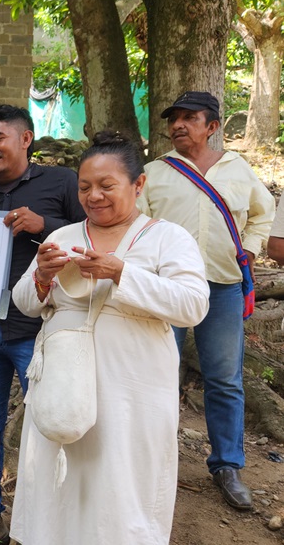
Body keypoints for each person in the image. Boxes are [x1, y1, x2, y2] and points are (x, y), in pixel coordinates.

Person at [9, 131, 210, 544]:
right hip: (63, 382)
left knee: (121, 479)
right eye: (84, 187)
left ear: (138, 185)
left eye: (106, 186)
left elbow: (193, 305)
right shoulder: (62, 236)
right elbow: (25, 302)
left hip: (132, 388)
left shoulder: (167, 238)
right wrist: (43, 276)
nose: (93, 196)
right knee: (57, 473)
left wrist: (122, 273)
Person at [138, 91, 275, 511]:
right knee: (159, 375)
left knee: (225, 379)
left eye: (189, 118)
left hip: (223, 286)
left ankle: (227, 466)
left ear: (212, 127)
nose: (178, 125)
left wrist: (249, 249)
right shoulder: (153, 173)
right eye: (173, 119)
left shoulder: (238, 169)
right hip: (168, 290)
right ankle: (152, 463)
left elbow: (262, 211)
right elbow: (137, 224)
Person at [0, 104, 86, 543]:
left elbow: (90, 236)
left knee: (51, 424)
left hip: (37, 330)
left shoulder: (62, 183)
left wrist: (45, 226)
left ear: (25, 139)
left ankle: (52, 521)